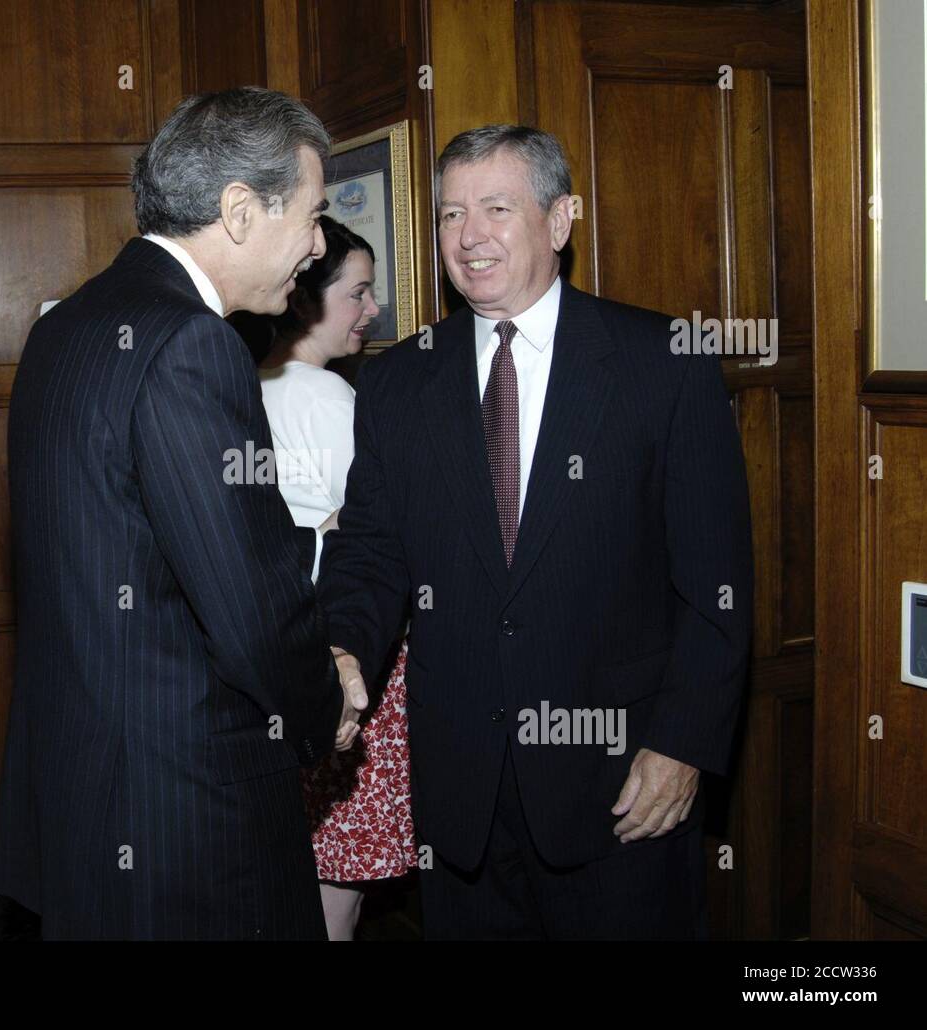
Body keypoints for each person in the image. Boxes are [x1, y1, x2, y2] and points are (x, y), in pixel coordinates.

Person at [318, 124, 753, 939]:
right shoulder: (397, 380)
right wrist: (343, 645)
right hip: (461, 799)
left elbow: (717, 583)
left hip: (620, 788)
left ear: (561, 220)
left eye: (495, 208)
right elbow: (371, 550)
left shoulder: (664, 361)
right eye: (450, 215)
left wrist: (684, 745)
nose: (469, 236)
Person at [0, 87, 368, 941]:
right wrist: (327, 704)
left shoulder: (67, 322)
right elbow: (251, 606)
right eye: (311, 217)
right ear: (240, 210)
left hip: (84, 797)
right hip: (184, 822)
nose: (317, 247)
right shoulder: (190, 342)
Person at [258, 216, 416, 941]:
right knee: (341, 878)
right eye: (359, 293)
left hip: (287, 653)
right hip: (352, 655)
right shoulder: (327, 398)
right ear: (307, 301)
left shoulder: (253, 385)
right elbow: (378, 534)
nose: (372, 309)